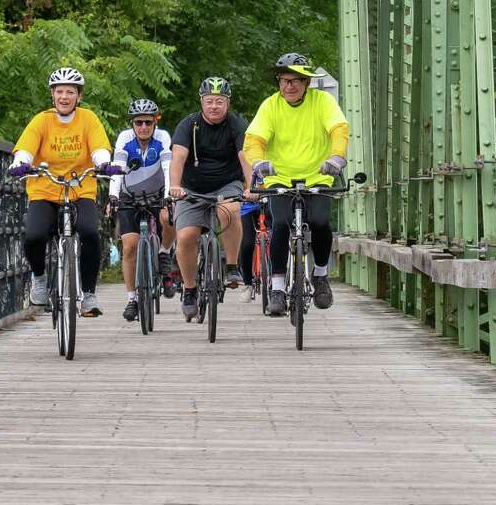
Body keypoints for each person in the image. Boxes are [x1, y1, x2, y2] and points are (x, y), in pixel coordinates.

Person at [7, 67, 121, 317]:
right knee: (34, 236)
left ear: (78, 96)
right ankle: (39, 278)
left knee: (90, 233)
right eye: (60, 91)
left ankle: (89, 295)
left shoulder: (88, 118)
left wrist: (103, 163)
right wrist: (20, 163)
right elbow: (25, 147)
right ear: (52, 95)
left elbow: (99, 147)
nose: (65, 96)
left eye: (70, 92)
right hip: (45, 190)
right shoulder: (42, 120)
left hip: (80, 188)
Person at [244, 53, 349, 316]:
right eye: (283, 81)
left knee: (321, 222)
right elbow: (254, 139)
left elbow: (338, 128)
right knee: (279, 223)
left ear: (307, 83)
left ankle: (321, 275)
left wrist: (336, 157)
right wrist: (258, 163)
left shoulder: (322, 101)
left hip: (318, 175)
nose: (288, 86)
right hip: (280, 177)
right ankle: (277, 288)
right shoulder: (270, 106)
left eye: (295, 81)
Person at [168, 76, 253, 319]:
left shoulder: (237, 125)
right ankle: (189, 289)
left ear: (227, 103)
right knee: (186, 236)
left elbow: (245, 157)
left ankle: (232, 267)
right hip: (191, 188)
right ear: (201, 102)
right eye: (209, 101)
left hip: (227, 184)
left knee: (231, 210)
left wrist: (251, 187)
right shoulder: (189, 125)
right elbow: (178, 158)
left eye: (219, 101)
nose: (214, 106)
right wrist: (175, 185)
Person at [109, 98, 174, 322]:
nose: (144, 127)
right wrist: (113, 196)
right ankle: (132, 299)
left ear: (155, 122)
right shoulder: (125, 139)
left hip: (157, 193)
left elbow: (168, 168)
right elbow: (117, 168)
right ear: (132, 124)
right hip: (130, 194)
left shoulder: (163, 137)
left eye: (148, 122)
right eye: (138, 123)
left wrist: (168, 198)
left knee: (169, 217)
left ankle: (164, 253)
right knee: (129, 247)